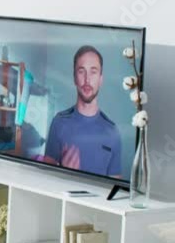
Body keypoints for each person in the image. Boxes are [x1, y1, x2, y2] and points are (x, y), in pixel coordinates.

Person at [43, 45, 122, 178]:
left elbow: (115, 186)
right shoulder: (59, 122)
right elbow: (45, 176)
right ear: (74, 77)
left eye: (93, 71)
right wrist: (64, 172)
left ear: (101, 79)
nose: (87, 79)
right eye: (81, 71)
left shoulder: (113, 132)